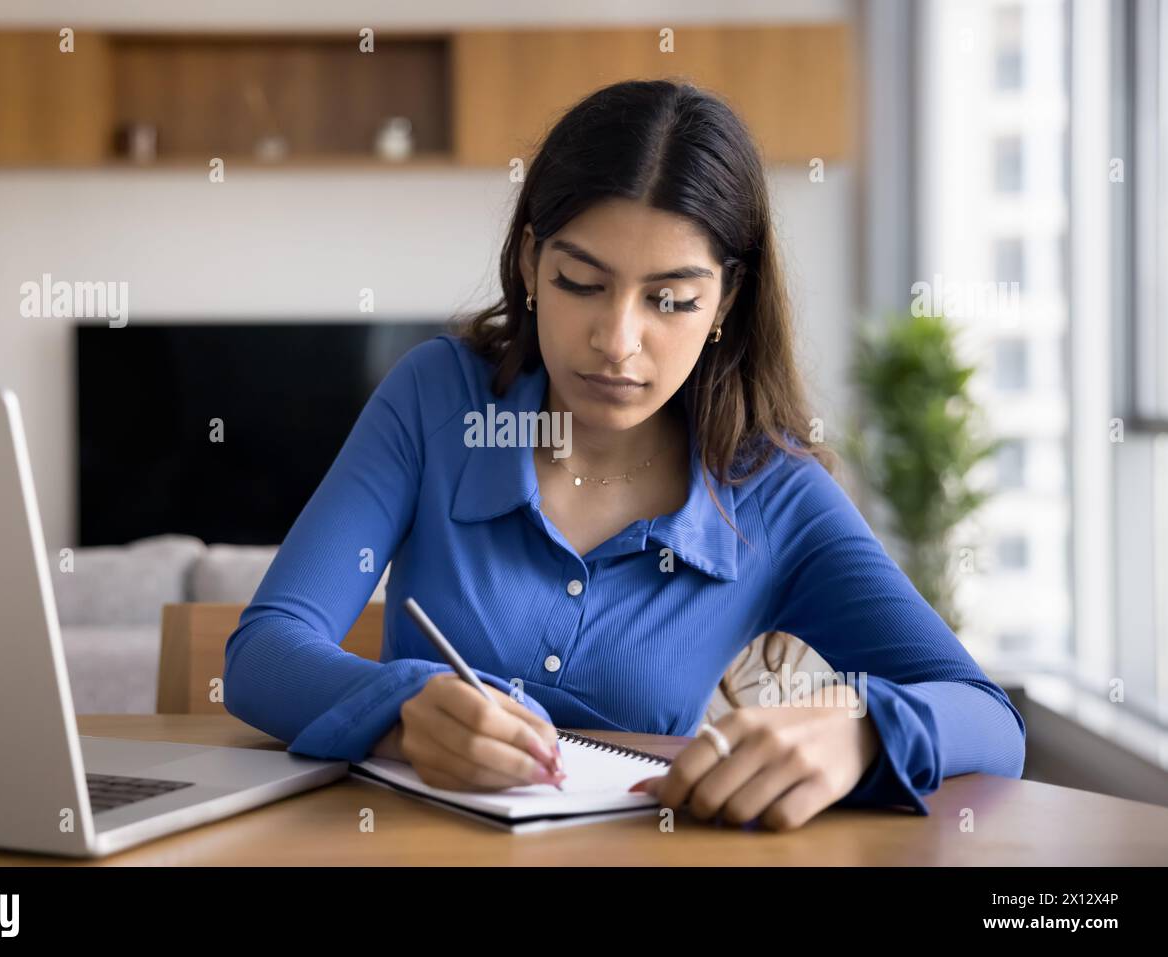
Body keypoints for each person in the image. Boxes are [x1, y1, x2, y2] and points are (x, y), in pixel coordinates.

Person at [223, 78, 1026, 831]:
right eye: (580, 282)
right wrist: (403, 708)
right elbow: (264, 653)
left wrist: (860, 730)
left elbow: (988, 718)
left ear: (726, 304)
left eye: (671, 299)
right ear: (534, 263)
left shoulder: (772, 492)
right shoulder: (439, 400)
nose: (617, 342)